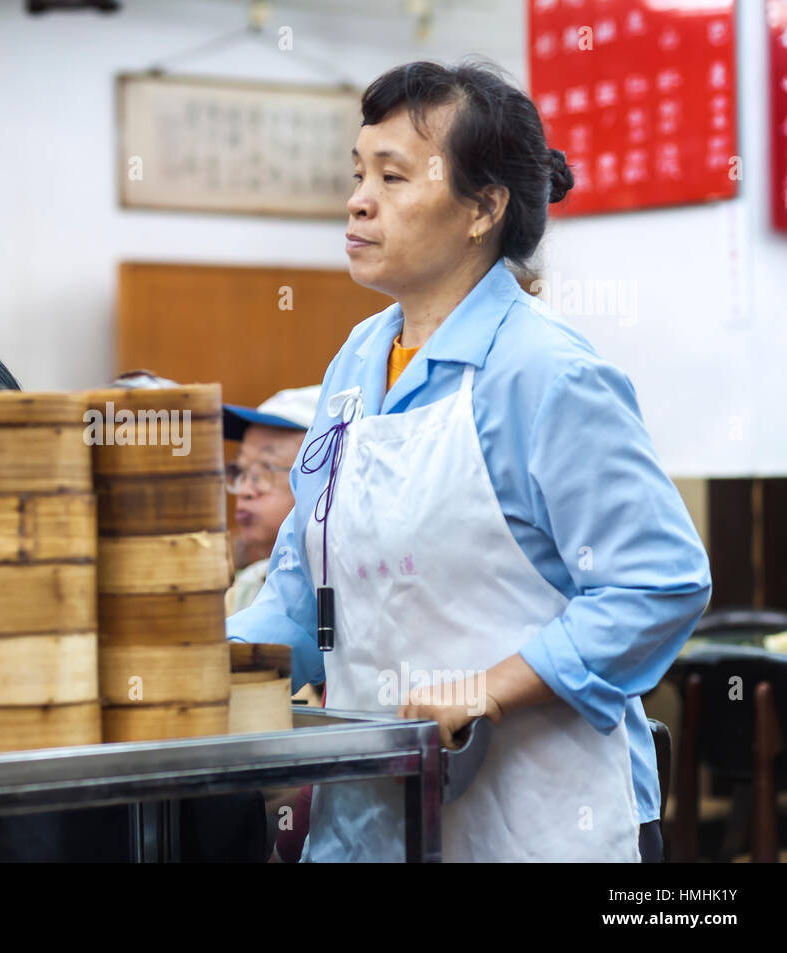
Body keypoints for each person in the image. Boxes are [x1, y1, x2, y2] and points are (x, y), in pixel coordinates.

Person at [227, 61, 710, 862]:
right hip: (377, 819)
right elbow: (307, 585)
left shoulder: (547, 373)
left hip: (541, 818)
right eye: (357, 173)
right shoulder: (356, 361)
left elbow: (658, 581)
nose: (357, 199)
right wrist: (198, 649)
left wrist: (487, 686)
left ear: (484, 207)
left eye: (394, 176)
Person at [222, 385, 320, 615]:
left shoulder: (347, 586)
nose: (244, 490)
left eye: (265, 469)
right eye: (242, 470)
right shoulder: (245, 588)